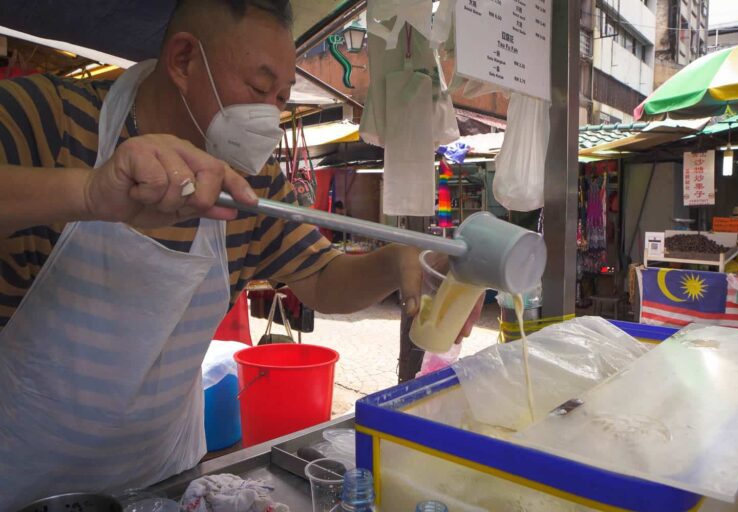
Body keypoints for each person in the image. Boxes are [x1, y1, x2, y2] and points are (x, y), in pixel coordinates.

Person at [0, 0, 426, 505]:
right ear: (183, 60)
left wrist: (397, 261)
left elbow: (324, 280)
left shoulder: (252, 182)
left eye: (282, 97)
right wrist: (89, 193)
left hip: (165, 480)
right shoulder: (45, 117)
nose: (270, 114)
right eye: (258, 88)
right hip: (22, 481)